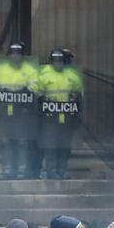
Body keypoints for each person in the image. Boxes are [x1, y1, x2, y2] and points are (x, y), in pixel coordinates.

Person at [0, 42, 39, 180]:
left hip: (22, 111)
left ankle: (22, 171)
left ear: (22, 55)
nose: (15, 56)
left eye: (18, 53)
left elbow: (36, 86)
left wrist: (26, 90)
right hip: (4, 112)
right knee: (6, 141)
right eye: (13, 53)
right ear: (9, 55)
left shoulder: (29, 69)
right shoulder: (1, 69)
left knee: (22, 142)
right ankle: (7, 171)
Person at [36, 48, 83, 179]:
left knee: (64, 144)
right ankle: (51, 171)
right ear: (51, 61)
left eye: (60, 61)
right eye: (55, 61)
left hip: (67, 116)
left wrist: (75, 98)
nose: (58, 63)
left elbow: (79, 93)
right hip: (50, 117)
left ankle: (62, 170)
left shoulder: (72, 76)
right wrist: (42, 98)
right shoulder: (43, 75)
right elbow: (36, 93)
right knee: (50, 144)